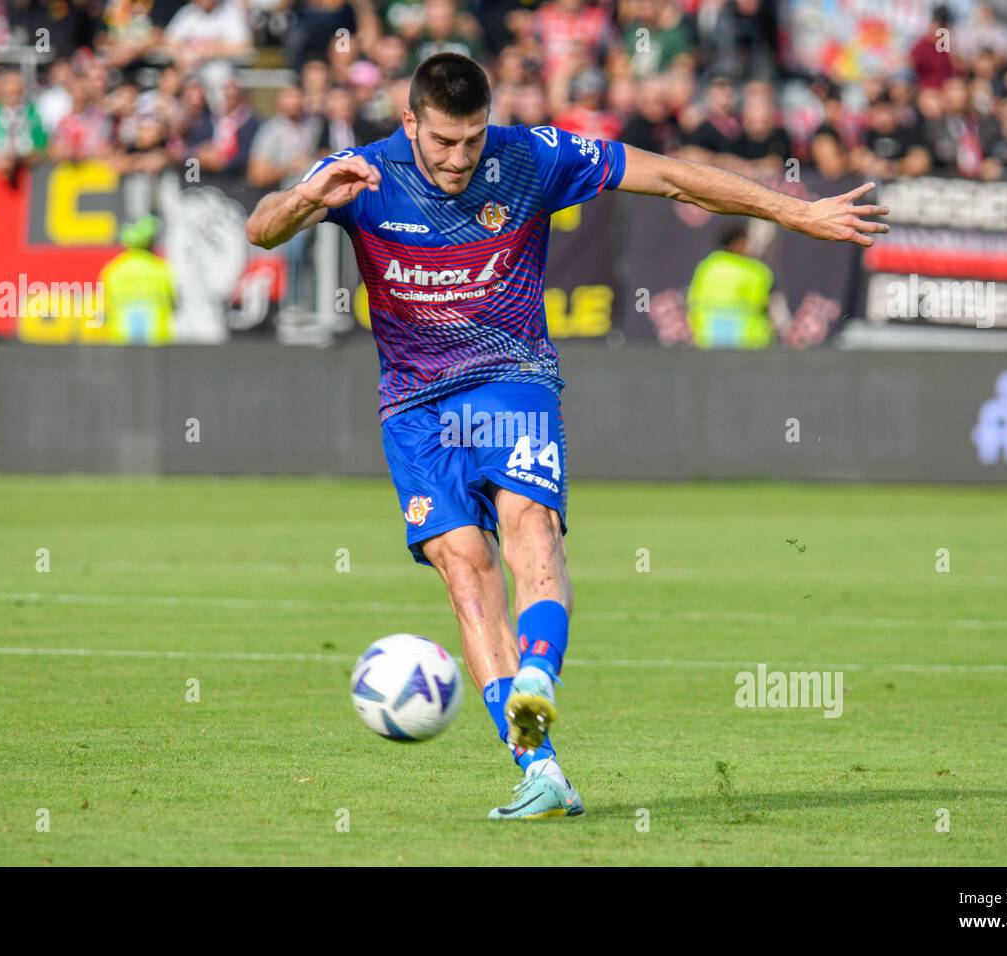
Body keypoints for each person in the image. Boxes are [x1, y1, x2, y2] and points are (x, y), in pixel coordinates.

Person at [244, 52, 888, 821]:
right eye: (443, 141)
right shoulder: (362, 173)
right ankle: (539, 766)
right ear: (410, 121)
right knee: (463, 568)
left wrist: (796, 212)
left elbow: (674, 176)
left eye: (472, 140)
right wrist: (305, 197)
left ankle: (537, 677)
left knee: (528, 526)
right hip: (414, 407)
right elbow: (261, 232)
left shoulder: (533, 157)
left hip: (509, 376)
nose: (458, 159)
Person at [686, 224, 774, 349]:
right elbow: (763, 305)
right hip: (747, 341)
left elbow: (693, 301)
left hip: (708, 338)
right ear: (736, 243)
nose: (748, 246)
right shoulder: (755, 270)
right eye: (745, 242)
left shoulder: (707, 266)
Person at [97, 215, 176, 344]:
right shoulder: (161, 270)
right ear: (150, 242)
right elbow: (174, 305)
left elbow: (104, 311)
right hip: (157, 346)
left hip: (122, 346)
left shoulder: (113, 271)